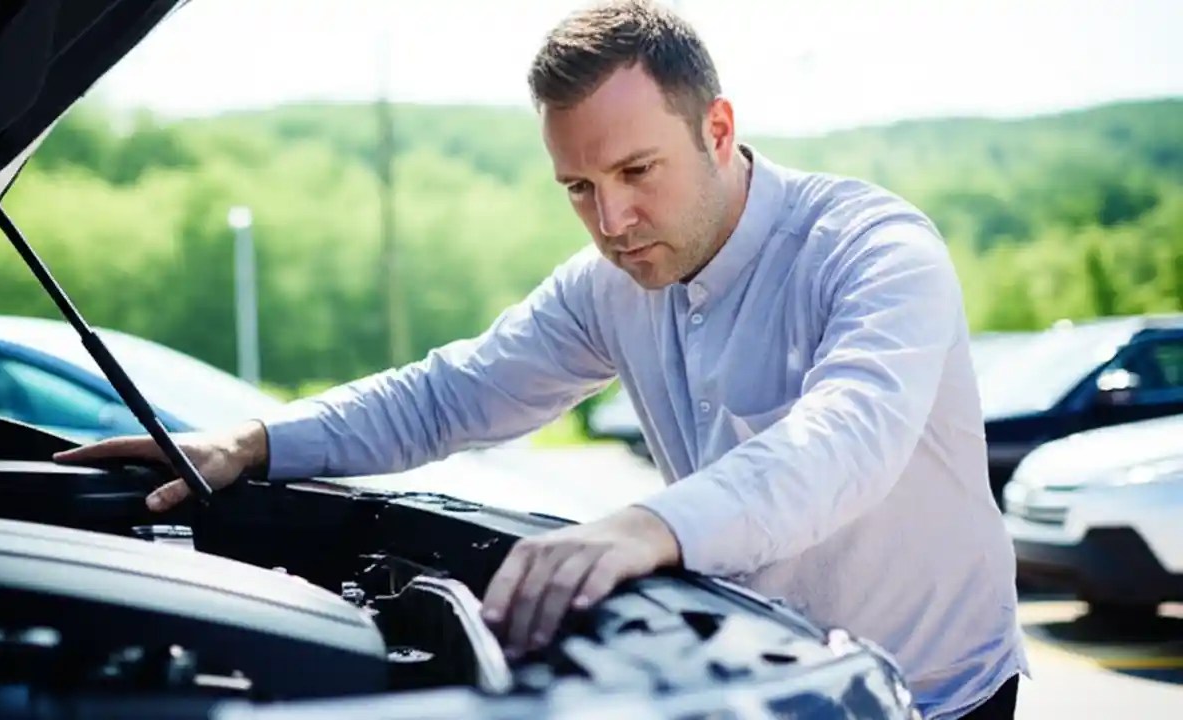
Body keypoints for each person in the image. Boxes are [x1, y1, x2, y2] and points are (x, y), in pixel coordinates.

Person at [56, 1, 1028, 717]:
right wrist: (250, 441)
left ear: (717, 130)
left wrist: (641, 526)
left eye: (635, 171)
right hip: (755, 680)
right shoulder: (609, 282)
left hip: (931, 691)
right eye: (577, 187)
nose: (611, 221)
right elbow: (449, 395)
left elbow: (844, 437)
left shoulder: (867, 247)